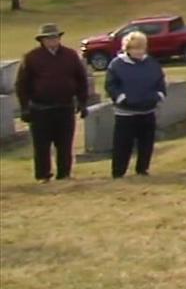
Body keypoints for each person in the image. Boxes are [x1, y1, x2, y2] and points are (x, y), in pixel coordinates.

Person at [16, 23, 90, 182]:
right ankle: (43, 175)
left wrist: (83, 102)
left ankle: (64, 174)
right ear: (41, 40)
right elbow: (22, 84)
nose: (52, 40)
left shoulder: (70, 55)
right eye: (48, 38)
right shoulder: (31, 57)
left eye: (55, 37)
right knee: (41, 145)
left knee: (65, 143)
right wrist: (24, 107)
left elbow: (81, 80)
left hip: (65, 106)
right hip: (40, 108)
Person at [104, 31, 167, 178]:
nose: (138, 52)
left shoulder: (151, 63)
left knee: (146, 143)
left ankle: (142, 169)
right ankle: (118, 172)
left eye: (141, 48)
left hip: (148, 110)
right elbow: (111, 86)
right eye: (135, 48)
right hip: (126, 113)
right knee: (123, 144)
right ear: (127, 49)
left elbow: (160, 82)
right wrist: (121, 98)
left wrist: (158, 95)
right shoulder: (117, 65)